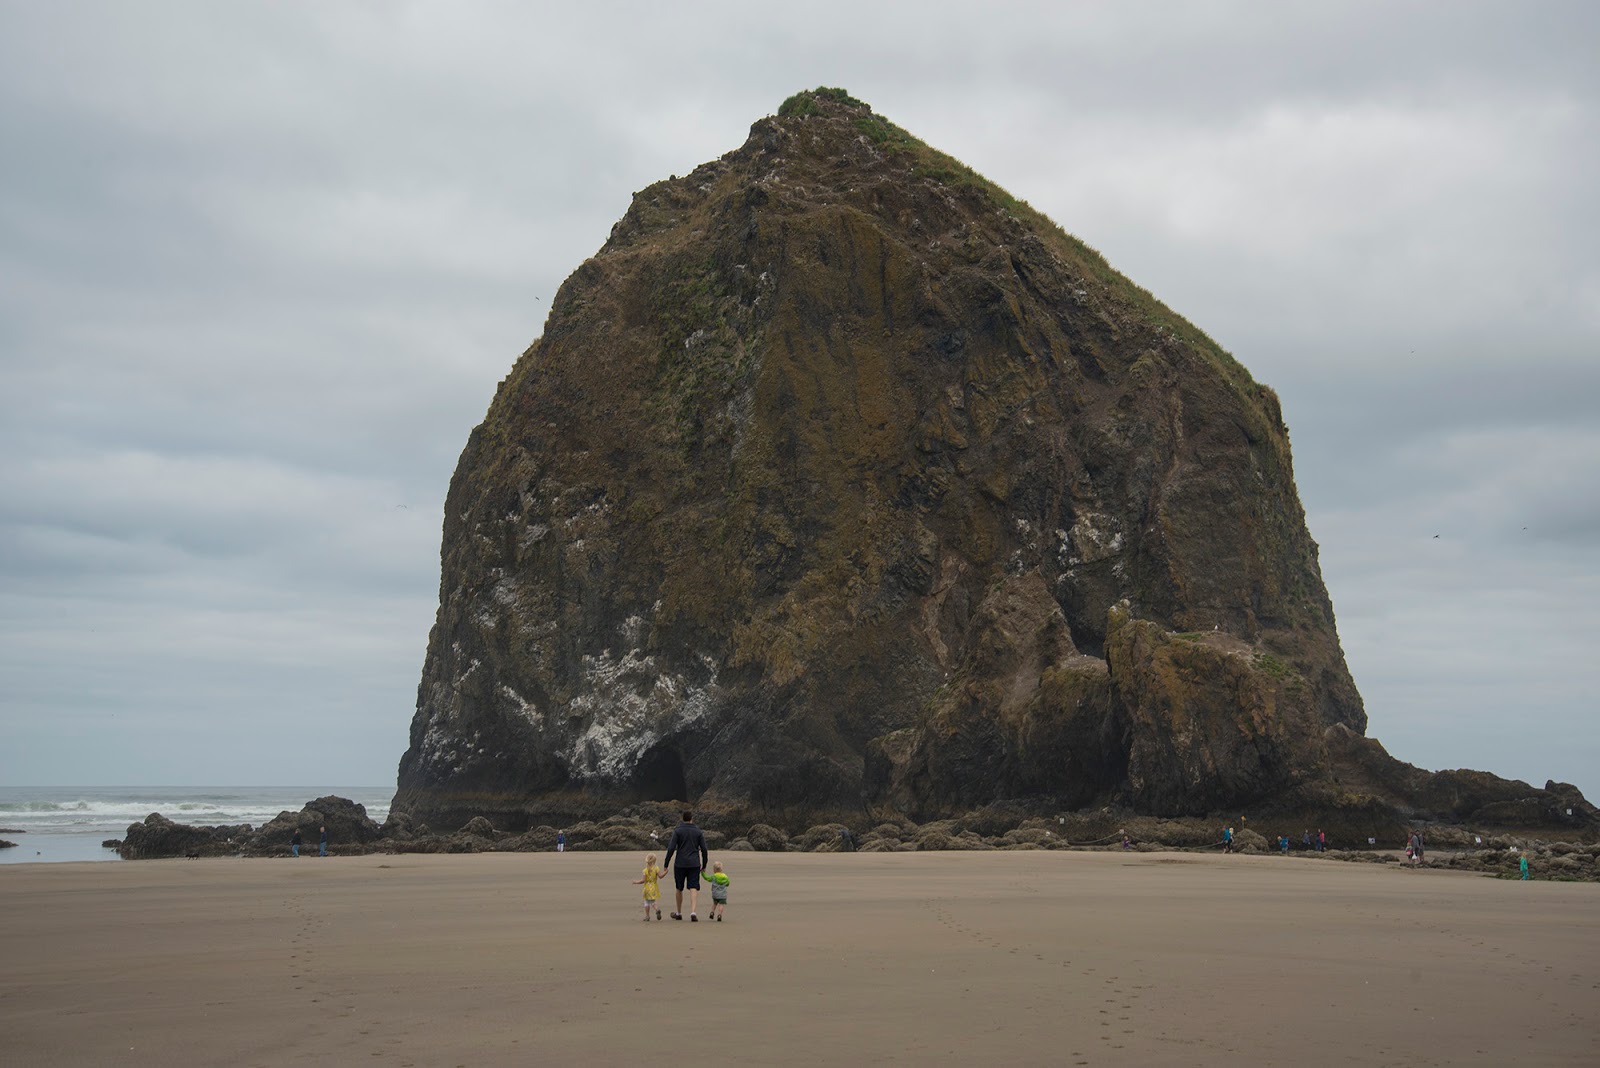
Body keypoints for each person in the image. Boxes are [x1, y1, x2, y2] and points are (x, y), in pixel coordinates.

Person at [661, 810, 709, 921]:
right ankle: (693, 912)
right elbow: (704, 849)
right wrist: (705, 864)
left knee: (679, 888)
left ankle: (679, 912)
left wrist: (666, 863)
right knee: (693, 887)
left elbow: (671, 848)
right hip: (694, 863)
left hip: (680, 863)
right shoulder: (698, 831)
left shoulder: (677, 831)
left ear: (683, 819)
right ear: (692, 819)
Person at [632, 853, 668, 921]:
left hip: (647, 888)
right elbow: (660, 876)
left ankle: (647, 916)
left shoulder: (645, 870)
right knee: (653, 902)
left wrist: (636, 882)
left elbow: (643, 880)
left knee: (646, 902)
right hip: (654, 887)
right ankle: (657, 909)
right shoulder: (656, 868)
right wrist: (665, 872)